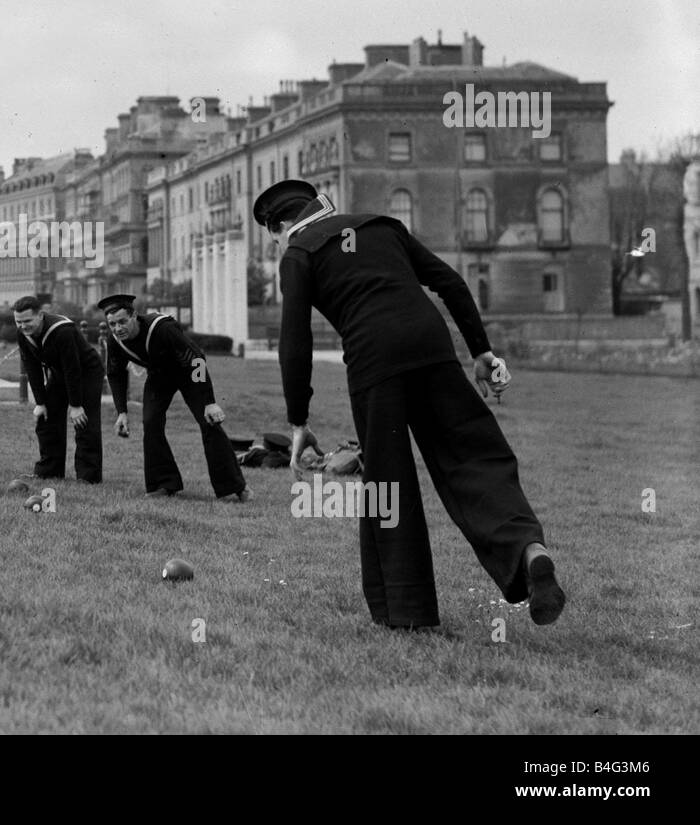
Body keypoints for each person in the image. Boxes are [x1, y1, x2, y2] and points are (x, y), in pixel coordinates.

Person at [256, 178, 566, 629]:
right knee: (474, 456)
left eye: (274, 237)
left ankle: (408, 611)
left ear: (283, 225)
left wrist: (298, 417)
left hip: (373, 359)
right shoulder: (383, 226)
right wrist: (481, 352)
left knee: (388, 486)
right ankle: (527, 549)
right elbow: (451, 282)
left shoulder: (299, 253)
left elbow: (295, 340)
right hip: (432, 346)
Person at [99, 294, 249, 501]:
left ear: (134, 316)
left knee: (209, 423)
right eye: (112, 324)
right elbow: (115, 373)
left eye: (122, 322)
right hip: (159, 377)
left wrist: (209, 402)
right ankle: (164, 484)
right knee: (150, 422)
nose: (117, 328)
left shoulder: (162, 328)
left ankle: (235, 487)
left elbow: (196, 359)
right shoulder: (115, 341)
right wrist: (121, 412)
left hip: (189, 374)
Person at [13, 296, 103, 483]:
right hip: (61, 372)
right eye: (18, 322)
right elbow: (32, 367)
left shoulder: (62, 331)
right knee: (45, 417)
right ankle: (49, 471)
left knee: (84, 421)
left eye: (27, 321)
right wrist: (40, 402)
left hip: (86, 371)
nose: (23, 326)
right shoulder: (22, 333)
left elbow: (73, 369)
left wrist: (76, 405)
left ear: (40, 316)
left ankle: (88, 476)